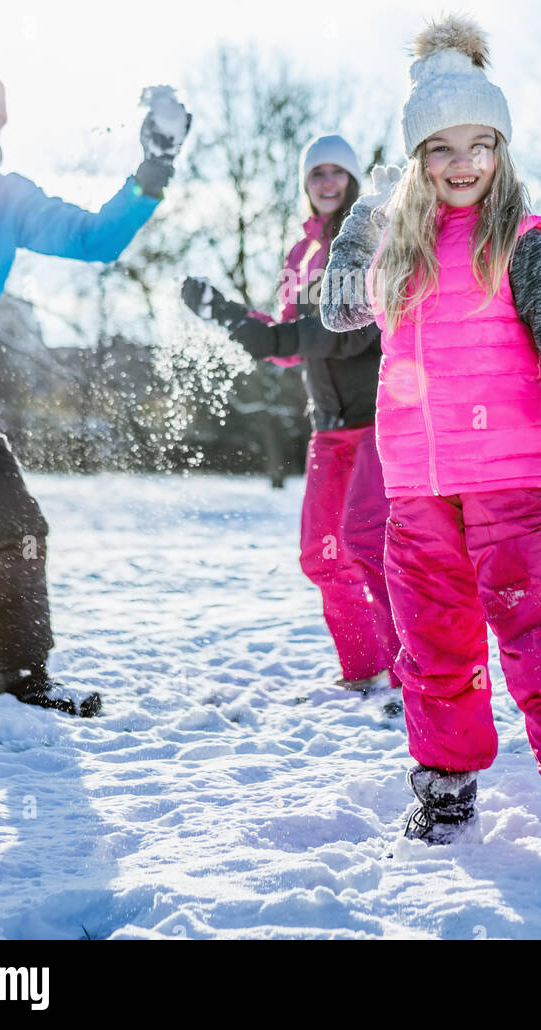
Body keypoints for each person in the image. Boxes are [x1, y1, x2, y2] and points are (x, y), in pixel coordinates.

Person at [320, 14, 541, 851]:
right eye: (441, 148)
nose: (465, 164)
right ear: (416, 160)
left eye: (482, 143)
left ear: (502, 149)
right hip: (416, 491)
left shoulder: (519, 244)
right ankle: (445, 789)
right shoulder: (393, 254)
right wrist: (363, 221)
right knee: (434, 651)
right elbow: (335, 308)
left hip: (514, 485)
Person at [0, 66, 189, 737]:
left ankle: (23, 681)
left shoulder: (7, 198)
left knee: (21, 530)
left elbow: (95, 238)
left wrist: (155, 166)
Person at [181, 134, 400, 694]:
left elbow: (352, 331)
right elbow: (285, 344)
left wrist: (277, 333)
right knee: (321, 554)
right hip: (329, 426)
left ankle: (411, 674)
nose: (326, 182)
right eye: (316, 174)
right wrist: (230, 315)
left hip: (380, 418)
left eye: (336, 172)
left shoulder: (371, 236)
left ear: (352, 180)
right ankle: (363, 669)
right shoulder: (300, 255)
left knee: (369, 544)